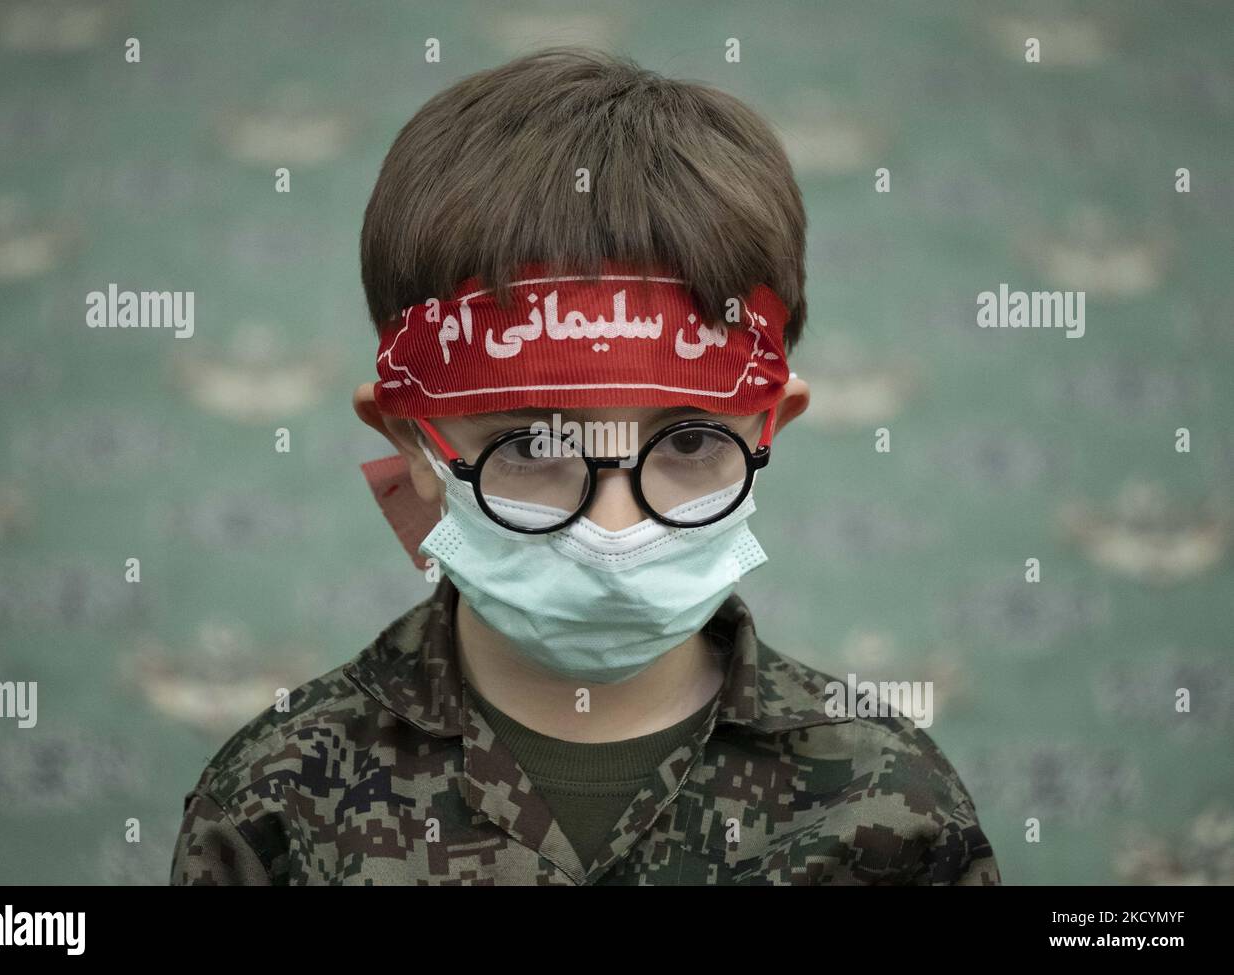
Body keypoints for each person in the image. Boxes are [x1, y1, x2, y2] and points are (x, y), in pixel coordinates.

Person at [170, 47, 1000, 885]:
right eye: (534, 447)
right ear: (414, 443)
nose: (616, 533)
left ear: (768, 426)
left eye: (686, 443)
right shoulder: (275, 807)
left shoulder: (890, 811)